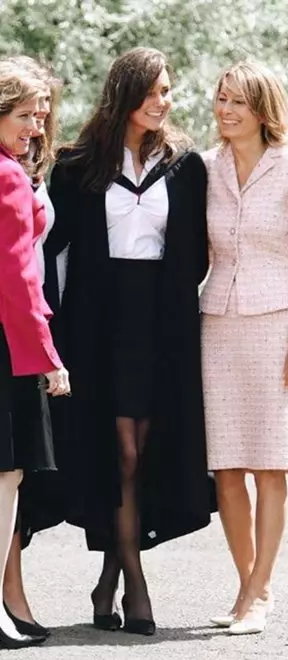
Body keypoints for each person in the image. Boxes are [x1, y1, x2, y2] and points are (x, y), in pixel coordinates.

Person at [46, 47, 210, 635]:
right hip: (97, 323)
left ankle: (108, 576)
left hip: (161, 321)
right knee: (122, 452)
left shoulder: (186, 165)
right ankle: (134, 579)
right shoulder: (76, 166)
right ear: (127, 94)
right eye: (157, 91)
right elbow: (45, 244)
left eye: (169, 90)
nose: (167, 101)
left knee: (147, 450)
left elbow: (197, 248)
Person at [202, 61, 288, 635]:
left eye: (237, 102)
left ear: (262, 108)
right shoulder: (205, 168)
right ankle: (248, 586)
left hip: (279, 328)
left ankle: (259, 591)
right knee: (227, 466)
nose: (226, 111)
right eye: (221, 99)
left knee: (269, 467)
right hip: (219, 326)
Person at [0, 61, 70, 649]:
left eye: (40, 116)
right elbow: (20, 279)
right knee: (6, 475)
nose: (36, 128)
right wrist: (49, 356)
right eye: (24, 116)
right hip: (9, 345)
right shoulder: (7, 176)